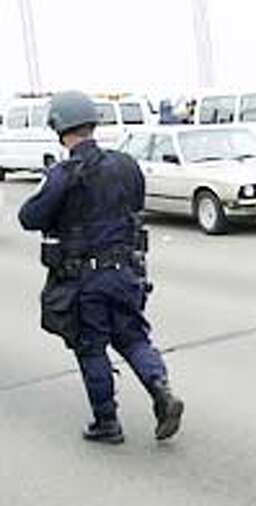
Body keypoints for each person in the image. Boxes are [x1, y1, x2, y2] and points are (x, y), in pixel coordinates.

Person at [19, 90, 183, 445]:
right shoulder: (126, 164)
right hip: (126, 272)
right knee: (133, 337)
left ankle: (107, 423)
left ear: (58, 127)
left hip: (85, 278)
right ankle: (161, 389)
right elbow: (136, 204)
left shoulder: (63, 173)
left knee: (91, 346)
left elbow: (29, 218)